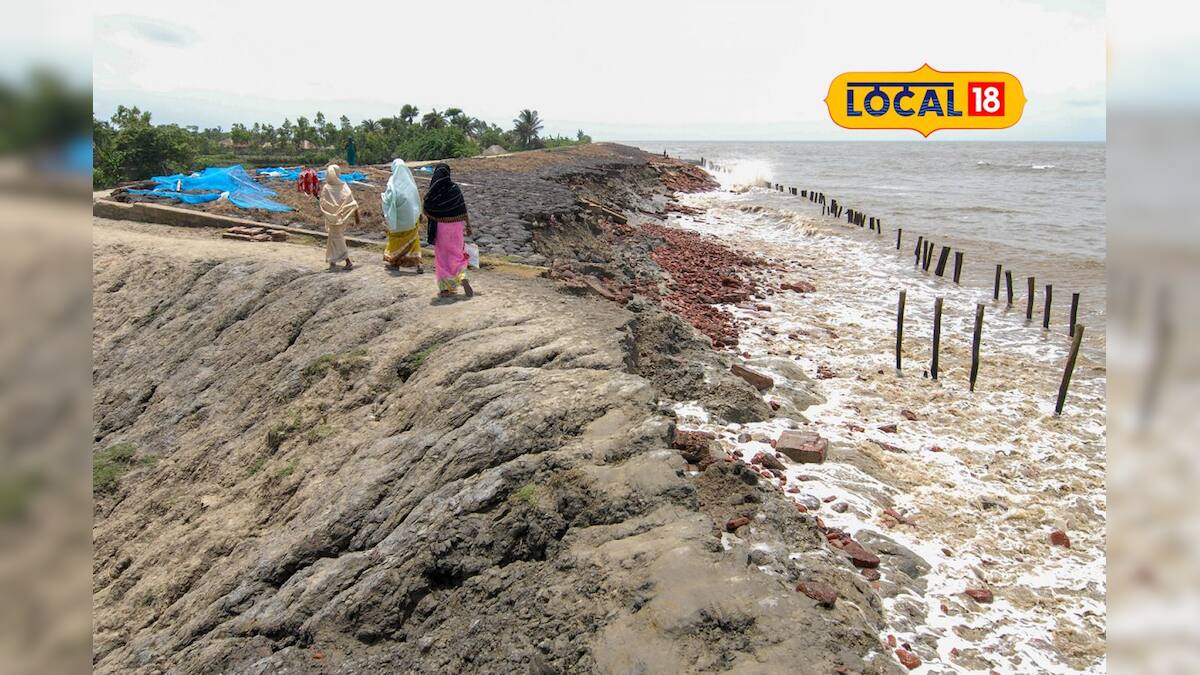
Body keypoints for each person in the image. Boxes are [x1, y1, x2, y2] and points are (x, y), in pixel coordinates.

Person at [422, 163, 473, 297]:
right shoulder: (454, 188)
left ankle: (446, 289)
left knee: (442, 258)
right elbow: (463, 208)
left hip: (441, 228)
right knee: (458, 254)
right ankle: (462, 276)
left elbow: (426, 206)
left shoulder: (434, 193)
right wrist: (468, 225)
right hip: (456, 228)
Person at [380, 158, 423, 273]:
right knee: (414, 240)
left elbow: (387, 200)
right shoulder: (411, 185)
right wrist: (419, 214)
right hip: (411, 221)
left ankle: (395, 261)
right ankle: (418, 264)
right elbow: (417, 202)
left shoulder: (392, 184)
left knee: (395, 239)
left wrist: (383, 198)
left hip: (397, 221)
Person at [318, 164, 359, 270]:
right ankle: (332, 260)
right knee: (333, 237)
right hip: (341, 217)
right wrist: (354, 215)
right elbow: (351, 201)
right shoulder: (344, 186)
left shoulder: (327, 188)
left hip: (334, 218)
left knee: (337, 238)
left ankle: (348, 261)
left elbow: (323, 202)